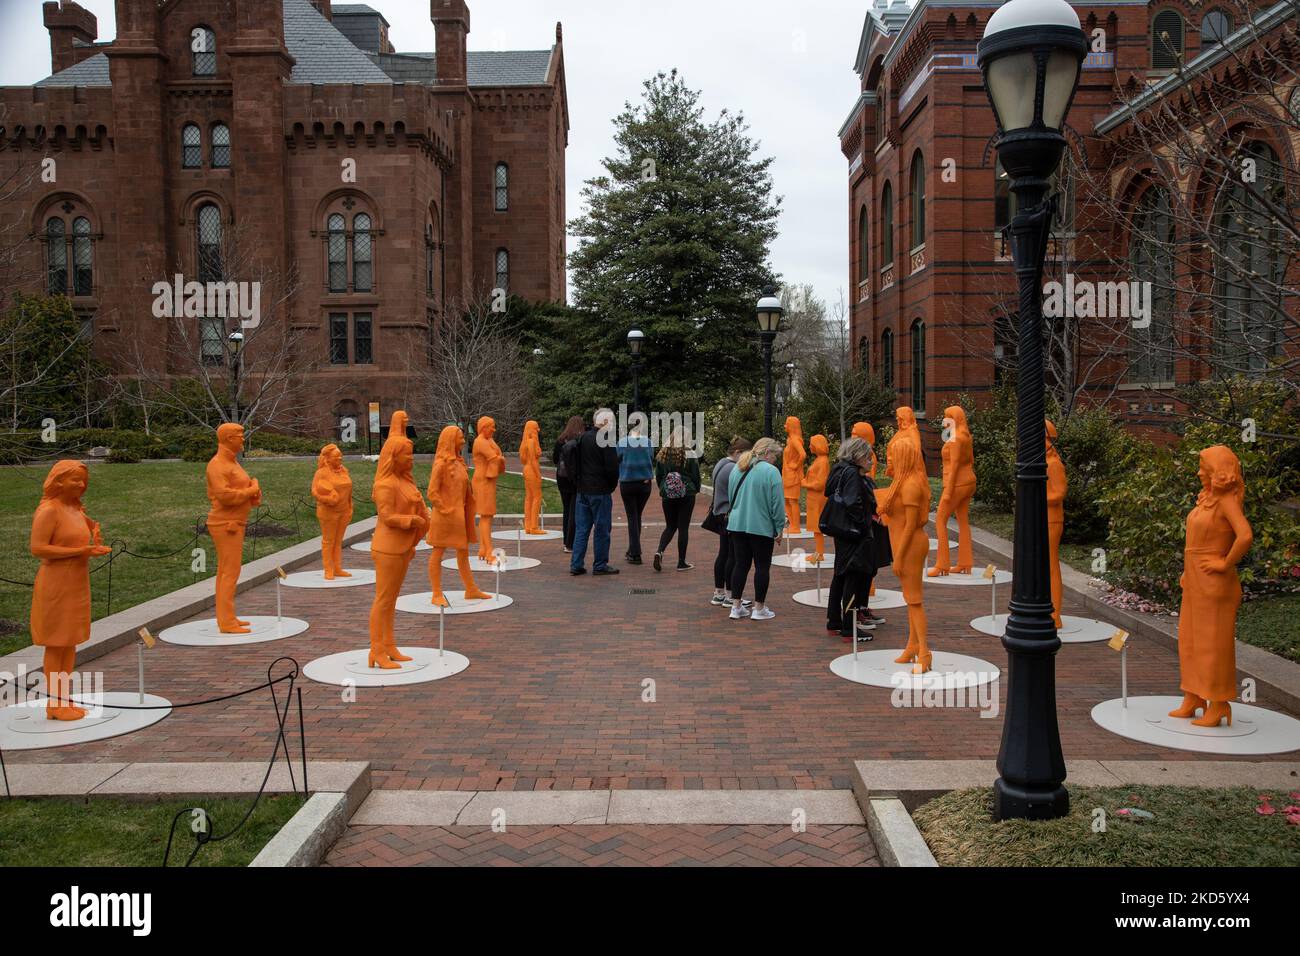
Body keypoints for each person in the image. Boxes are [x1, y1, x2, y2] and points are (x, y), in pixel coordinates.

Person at [1169, 446, 1253, 729]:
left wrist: (1225, 564)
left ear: (1217, 471)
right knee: (1189, 640)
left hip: (1214, 582)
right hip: (1195, 579)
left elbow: (1244, 536)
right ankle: (1193, 696)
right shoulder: (1207, 499)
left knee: (1213, 645)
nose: (1198, 472)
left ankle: (1218, 703)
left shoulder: (1227, 500)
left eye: (1203, 468)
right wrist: (1187, 571)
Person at [29, 461, 111, 720]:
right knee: (56, 644)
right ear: (59, 481)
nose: (81, 484)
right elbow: (38, 548)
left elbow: (86, 533)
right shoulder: (49, 510)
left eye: (83, 480)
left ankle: (64, 699)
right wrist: (81, 551)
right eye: (75, 479)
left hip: (77, 579)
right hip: (56, 582)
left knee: (70, 642)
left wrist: (93, 543)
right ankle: (54, 703)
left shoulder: (74, 509)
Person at [368, 412, 429, 670]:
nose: (410, 459)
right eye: (406, 454)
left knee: (391, 599)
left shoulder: (404, 482)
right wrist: (411, 521)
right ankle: (376, 649)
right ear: (394, 457)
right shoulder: (385, 485)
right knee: (383, 599)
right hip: (388, 547)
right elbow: (387, 516)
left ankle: (389, 644)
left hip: (403, 546)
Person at [822, 438, 882, 639]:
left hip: (841, 531)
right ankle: (849, 626)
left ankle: (834, 621)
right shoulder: (852, 475)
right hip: (852, 533)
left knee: (840, 575)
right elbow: (852, 503)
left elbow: (829, 491)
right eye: (867, 457)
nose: (871, 461)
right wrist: (865, 523)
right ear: (857, 456)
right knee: (852, 578)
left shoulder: (839, 469)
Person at [882, 438, 933, 674]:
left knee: (914, 600)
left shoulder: (911, 485)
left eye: (893, 454)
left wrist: (899, 557)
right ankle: (912, 645)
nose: (889, 458)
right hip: (904, 543)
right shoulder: (902, 483)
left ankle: (924, 651)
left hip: (910, 545)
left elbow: (912, 525)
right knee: (909, 598)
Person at [426, 425, 491, 607]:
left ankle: (471, 589)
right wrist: (444, 509)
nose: (463, 441)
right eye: (460, 437)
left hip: (459, 517)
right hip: (445, 517)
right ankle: (436, 592)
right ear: (450, 440)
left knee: (462, 552)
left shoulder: (459, 463)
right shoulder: (441, 464)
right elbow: (432, 492)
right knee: (438, 553)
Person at [206, 422, 262, 634]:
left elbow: (240, 488)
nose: (243, 439)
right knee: (229, 572)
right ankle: (226, 621)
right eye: (240, 436)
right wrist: (252, 490)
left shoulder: (232, 463)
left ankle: (227, 617)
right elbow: (226, 496)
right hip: (225, 524)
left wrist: (253, 493)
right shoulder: (217, 465)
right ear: (229, 439)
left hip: (235, 522)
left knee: (227, 571)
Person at [726, 437, 787, 621]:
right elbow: (777, 504)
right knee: (762, 566)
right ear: (767, 453)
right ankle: (759, 608)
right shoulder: (771, 472)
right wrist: (779, 527)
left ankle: (736, 606)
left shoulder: (738, 467)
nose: (776, 459)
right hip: (760, 525)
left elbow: (730, 496)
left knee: (740, 565)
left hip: (737, 524)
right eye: (775, 456)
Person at [570, 409, 621, 576]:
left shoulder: (583, 437)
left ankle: (576, 564)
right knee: (602, 528)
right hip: (600, 491)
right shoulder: (606, 439)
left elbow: (576, 462)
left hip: (583, 489)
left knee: (582, 528)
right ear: (606, 422)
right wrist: (611, 486)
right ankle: (600, 564)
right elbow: (612, 468)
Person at [709, 437, 751, 606]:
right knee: (732, 556)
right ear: (738, 452)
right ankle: (731, 594)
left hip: (719, 513)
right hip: (729, 514)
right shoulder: (733, 469)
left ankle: (719, 592)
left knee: (723, 554)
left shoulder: (720, 464)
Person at [652, 429, 701, 572]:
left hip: (668, 495)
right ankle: (681, 562)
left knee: (670, 526)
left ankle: (659, 551)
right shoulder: (690, 454)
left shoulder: (663, 454)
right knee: (683, 528)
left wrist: (663, 489)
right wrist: (695, 489)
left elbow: (659, 475)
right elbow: (696, 475)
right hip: (687, 493)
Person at [312, 444, 353, 581]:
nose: (340, 458)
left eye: (341, 456)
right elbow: (314, 491)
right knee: (328, 541)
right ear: (328, 459)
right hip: (328, 512)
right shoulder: (321, 473)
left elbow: (349, 490)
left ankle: (337, 568)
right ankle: (328, 569)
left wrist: (350, 507)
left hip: (344, 511)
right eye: (336, 457)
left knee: (338, 541)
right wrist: (327, 499)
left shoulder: (344, 471)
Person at [617, 420, 655, 565]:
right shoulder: (648, 442)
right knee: (637, 515)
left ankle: (635, 553)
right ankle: (632, 550)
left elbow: (617, 459)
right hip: (644, 483)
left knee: (632, 517)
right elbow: (651, 458)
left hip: (627, 482)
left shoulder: (622, 442)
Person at [471, 416, 506, 563]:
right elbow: (495, 457)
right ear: (483, 427)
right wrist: (500, 458)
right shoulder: (480, 442)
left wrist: (499, 456)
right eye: (491, 427)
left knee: (487, 517)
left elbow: (498, 453)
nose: (494, 429)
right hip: (483, 481)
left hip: (487, 481)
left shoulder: (487, 440)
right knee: (486, 516)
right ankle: (489, 553)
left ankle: (483, 549)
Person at [553, 415, 585, 553]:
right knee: (574, 511)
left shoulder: (561, 440)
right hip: (574, 478)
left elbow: (555, 459)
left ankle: (565, 540)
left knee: (566, 510)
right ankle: (570, 542)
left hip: (561, 477)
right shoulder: (579, 440)